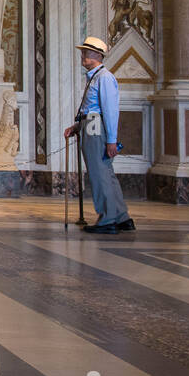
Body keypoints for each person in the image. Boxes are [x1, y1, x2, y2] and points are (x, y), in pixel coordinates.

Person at [64, 37, 134, 234]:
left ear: (97, 55)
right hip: (90, 125)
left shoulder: (104, 77)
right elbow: (91, 109)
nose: (83, 55)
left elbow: (110, 111)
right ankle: (121, 216)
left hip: (96, 129)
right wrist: (77, 126)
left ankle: (108, 219)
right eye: (83, 51)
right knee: (106, 173)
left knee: (99, 173)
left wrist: (112, 140)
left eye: (86, 52)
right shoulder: (95, 77)